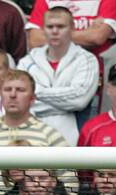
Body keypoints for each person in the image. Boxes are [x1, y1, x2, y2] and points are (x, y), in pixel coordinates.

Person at [17, 5, 97, 146]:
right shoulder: (27, 61)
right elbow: (19, 100)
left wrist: (35, 93)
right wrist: (65, 101)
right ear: (43, 28)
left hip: (71, 139)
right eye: (50, 26)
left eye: (60, 27)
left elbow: (80, 99)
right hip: (31, 137)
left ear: (72, 28)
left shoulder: (87, 60)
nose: (54, 31)